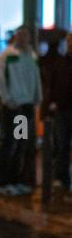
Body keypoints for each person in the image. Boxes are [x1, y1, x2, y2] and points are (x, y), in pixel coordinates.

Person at [0, 26, 42, 196]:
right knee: (11, 143)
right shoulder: (8, 55)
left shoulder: (31, 55)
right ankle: (4, 182)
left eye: (25, 36)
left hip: (25, 105)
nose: (23, 39)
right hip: (15, 106)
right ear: (16, 37)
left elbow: (36, 78)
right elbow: (0, 79)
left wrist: (37, 98)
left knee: (19, 143)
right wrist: (8, 100)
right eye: (20, 35)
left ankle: (14, 180)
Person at [43, 32, 72, 190]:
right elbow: (52, 86)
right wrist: (51, 103)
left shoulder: (58, 62)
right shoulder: (59, 62)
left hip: (62, 109)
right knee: (62, 146)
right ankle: (61, 178)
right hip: (61, 110)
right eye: (69, 42)